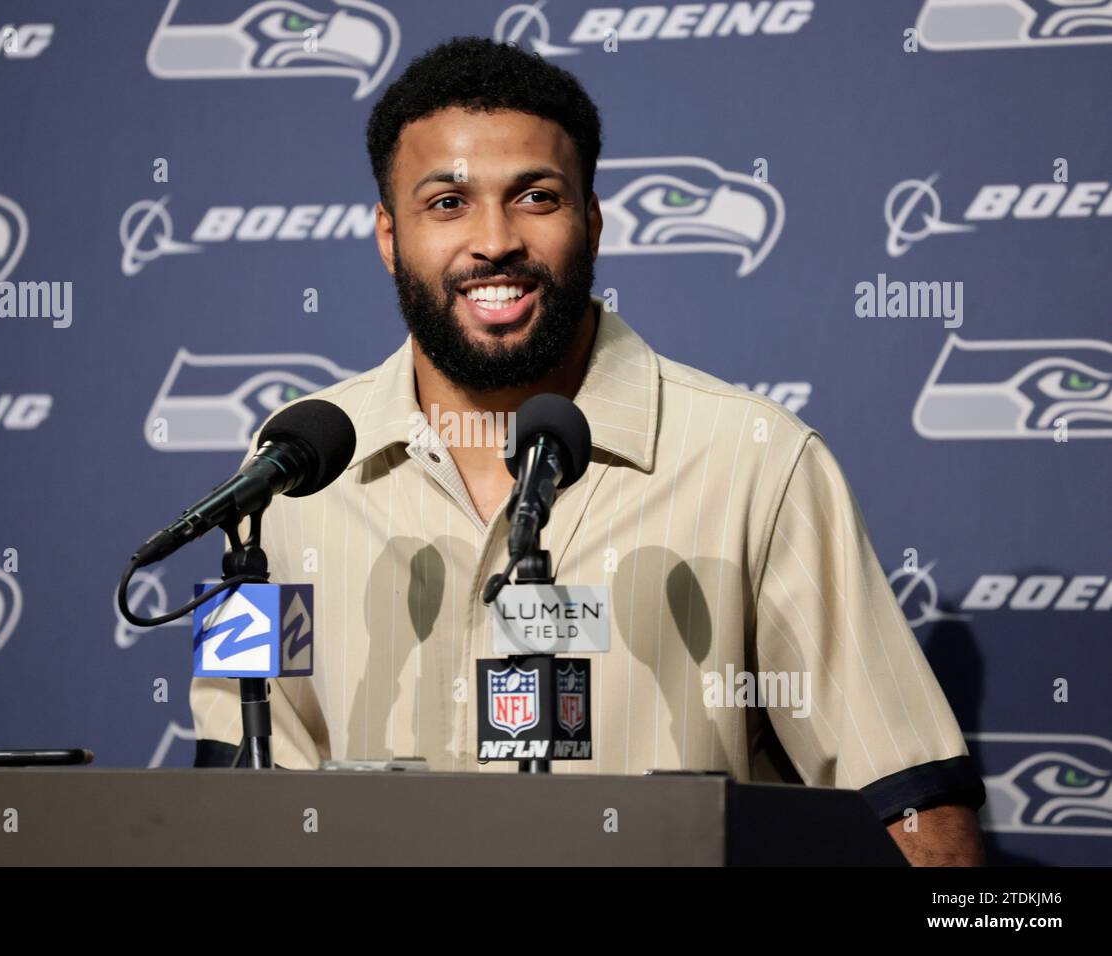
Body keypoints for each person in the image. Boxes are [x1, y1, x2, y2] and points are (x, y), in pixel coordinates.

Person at [191, 37, 986, 865]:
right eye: (448, 203)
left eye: (535, 197)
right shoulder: (285, 469)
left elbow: (918, 816)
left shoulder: (757, 463)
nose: (494, 241)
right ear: (390, 236)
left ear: (593, 222)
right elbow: (233, 791)